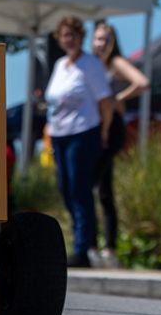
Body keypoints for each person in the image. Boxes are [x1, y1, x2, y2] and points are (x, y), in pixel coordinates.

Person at [44, 15, 114, 268]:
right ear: (59, 39)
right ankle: (79, 240)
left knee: (79, 188)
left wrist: (104, 132)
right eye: (65, 35)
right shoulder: (61, 65)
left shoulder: (91, 65)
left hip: (83, 131)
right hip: (59, 134)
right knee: (65, 188)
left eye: (73, 35)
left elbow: (105, 102)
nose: (69, 40)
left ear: (81, 37)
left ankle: (82, 248)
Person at [91, 21, 149, 268]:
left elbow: (142, 82)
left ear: (113, 42)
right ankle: (103, 248)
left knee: (93, 186)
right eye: (98, 39)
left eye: (106, 39)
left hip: (111, 128)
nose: (101, 43)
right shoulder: (90, 65)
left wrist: (118, 99)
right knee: (103, 190)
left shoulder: (116, 64)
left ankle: (102, 247)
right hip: (92, 128)